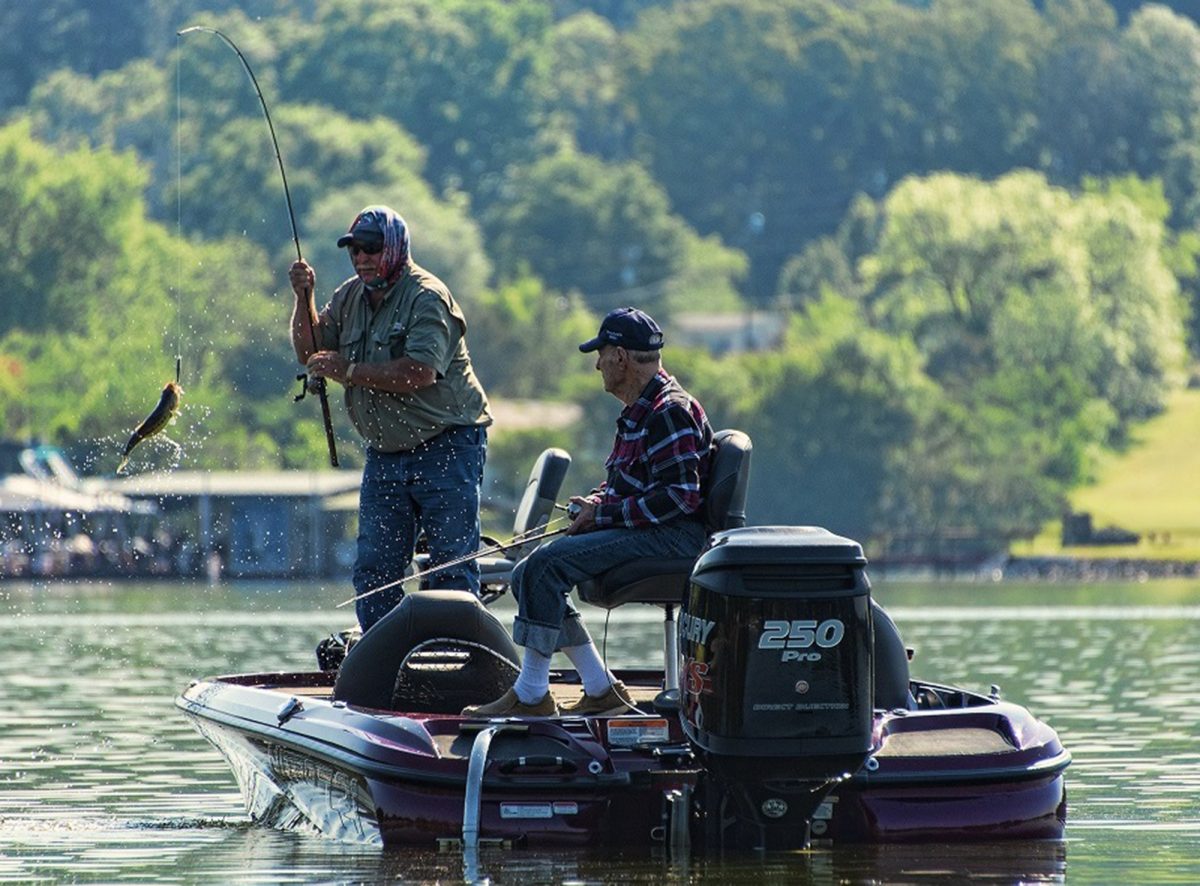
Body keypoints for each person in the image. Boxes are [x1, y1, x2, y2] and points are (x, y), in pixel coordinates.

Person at [464, 307, 713, 717]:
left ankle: (531, 696)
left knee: (545, 567)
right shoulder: (640, 411)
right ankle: (600, 689)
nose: (597, 364)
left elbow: (680, 499)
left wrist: (604, 517)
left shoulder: (669, 411)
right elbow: (627, 487)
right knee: (530, 570)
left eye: (601, 355)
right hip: (654, 529)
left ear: (620, 357)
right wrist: (597, 503)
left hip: (677, 536)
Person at [289, 205, 492, 632]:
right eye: (354, 250)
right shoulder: (348, 297)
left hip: (448, 445)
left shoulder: (427, 297)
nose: (361, 258)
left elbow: (419, 372)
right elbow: (311, 353)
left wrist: (348, 371)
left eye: (371, 249)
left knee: (450, 572)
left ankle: (458, 663)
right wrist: (302, 299)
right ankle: (391, 666)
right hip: (385, 453)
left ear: (396, 249)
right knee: (374, 575)